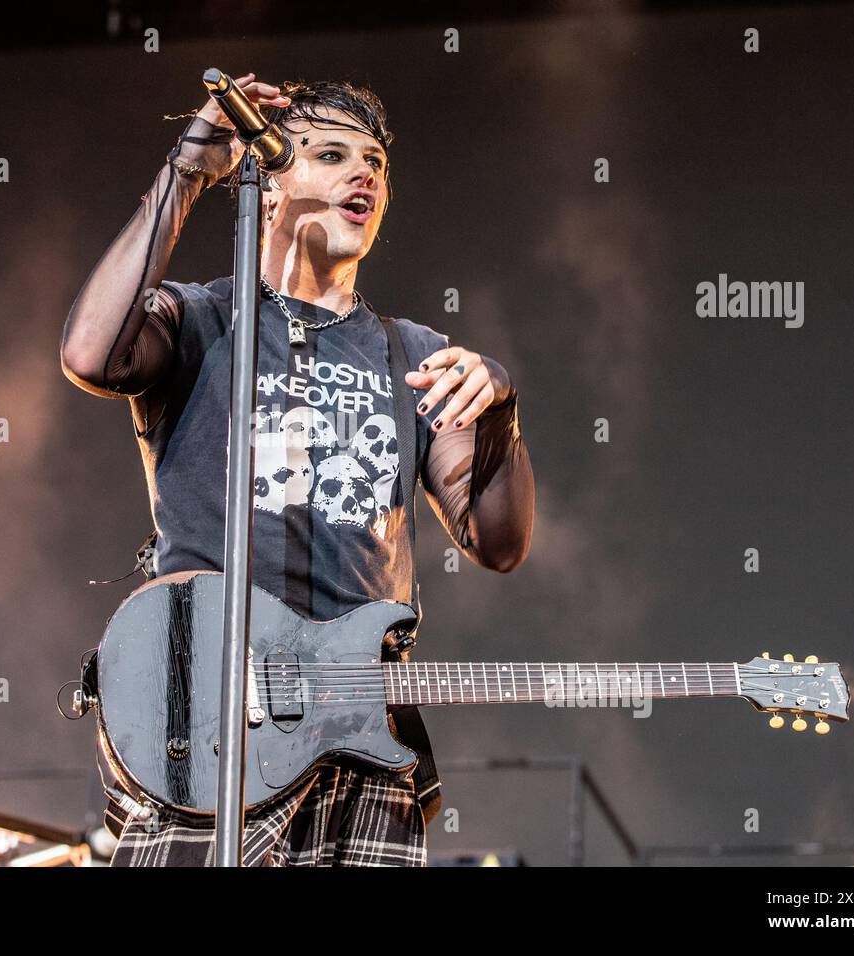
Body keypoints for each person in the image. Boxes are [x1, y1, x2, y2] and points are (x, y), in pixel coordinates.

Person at [60, 74, 535, 866]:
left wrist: (502, 407)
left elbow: (499, 542)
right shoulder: (200, 319)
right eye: (331, 154)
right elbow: (90, 354)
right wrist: (187, 170)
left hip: (362, 742)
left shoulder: (411, 355)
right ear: (269, 187)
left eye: (376, 161)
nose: (365, 174)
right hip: (209, 725)